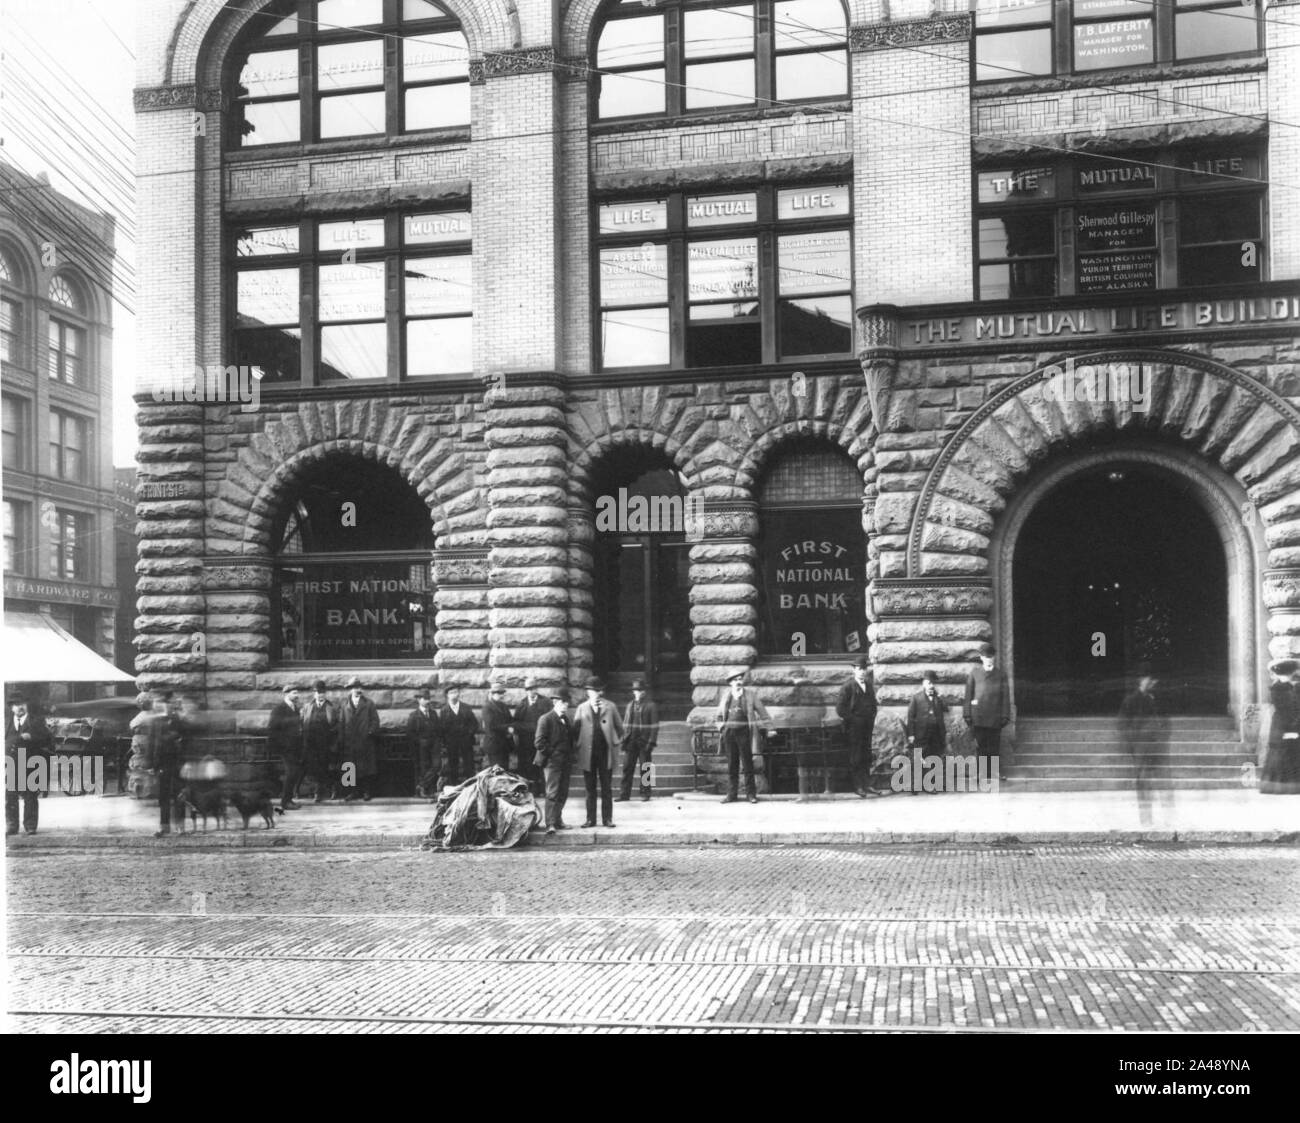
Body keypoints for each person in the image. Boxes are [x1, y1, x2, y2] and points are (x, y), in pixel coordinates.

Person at [714, 670, 775, 805]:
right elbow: (718, 716)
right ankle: (731, 794)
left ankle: (751, 795)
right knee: (732, 765)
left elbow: (763, 713)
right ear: (730, 683)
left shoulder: (750, 695)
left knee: (748, 764)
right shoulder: (726, 696)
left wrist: (770, 728)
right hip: (729, 733)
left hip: (744, 733)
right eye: (735, 680)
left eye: (740, 679)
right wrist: (722, 728)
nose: (739, 682)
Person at [573, 677, 624, 827]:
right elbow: (575, 730)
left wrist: (614, 741)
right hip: (588, 754)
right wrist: (580, 745)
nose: (594, 694)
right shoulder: (582, 708)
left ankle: (607, 819)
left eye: (596, 691)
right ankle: (590, 819)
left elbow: (620, 728)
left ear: (601, 691)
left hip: (605, 753)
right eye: (591, 691)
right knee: (590, 788)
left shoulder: (610, 707)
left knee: (606, 787)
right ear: (588, 692)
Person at [1119, 663, 1166, 822]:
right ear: (1141, 680)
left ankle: (1149, 816)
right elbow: (1123, 724)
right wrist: (1131, 743)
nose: (1152, 683)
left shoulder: (1152, 699)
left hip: (1152, 745)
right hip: (1139, 745)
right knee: (1143, 781)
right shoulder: (1131, 700)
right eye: (1148, 679)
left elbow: (1158, 722)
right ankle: (1145, 818)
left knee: (1150, 781)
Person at [5, 692, 52, 836]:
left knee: (30, 795)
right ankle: (12, 825)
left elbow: (48, 739)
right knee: (10, 794)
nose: (20, 707)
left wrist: (32, 737)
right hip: (12, 763)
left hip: (31, 763)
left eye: (23, 704)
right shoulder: (5, 723)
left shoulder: (36, 722)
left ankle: (30, 825)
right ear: (11, 707)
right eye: (17, 705)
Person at [836, 657, 882, 798]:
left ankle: (867, 784)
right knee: (855, 756)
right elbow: (840, 709)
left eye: (864, 669)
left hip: (867, 727)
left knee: (866, 755)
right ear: (854, 670)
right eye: (859, 669)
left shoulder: (868, 685)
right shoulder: (848, 686)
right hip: (853, 729)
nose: (862, 672)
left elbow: (873, 705)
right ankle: (858, 786)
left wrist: (872, 717)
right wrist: (853, 720)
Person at [533, 687, 575, 834]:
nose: (566, 706)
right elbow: (539, 743)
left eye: (567, 703)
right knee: (552, 793)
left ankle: (558, 820)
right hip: (551, 763)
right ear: (555, 702)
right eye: (563, 703)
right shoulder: (546, 719)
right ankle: (550, 823)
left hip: (565, 762)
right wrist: (554, 754)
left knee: (563, 792)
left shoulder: (566, 719)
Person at [963, 642, 1011, 772]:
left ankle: (994, 773)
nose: (988, 659)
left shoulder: (1001, 675)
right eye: (986, 657)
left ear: (994, 657)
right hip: (979, 718)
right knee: (981, 747)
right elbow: (968, 695)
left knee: (994, 748)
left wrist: (1006, 715)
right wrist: (967, 714)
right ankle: (983, 774)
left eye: (991, 657)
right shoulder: (974, 673)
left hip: (995, 718)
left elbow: (1005, 697)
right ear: (981, 658)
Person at [1261, 658, 1300, 794]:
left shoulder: (1285, 687)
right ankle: (1285, 786)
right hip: (1284, 725)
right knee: (1284, 752)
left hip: (1281, 724)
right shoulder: (1282, 689)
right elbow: (1286, 710)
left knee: (1285, 752)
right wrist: (1292, 728)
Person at [904, 671, 947, 795]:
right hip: (920, 734)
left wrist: (940, 697)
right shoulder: (916, 698)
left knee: (932, 758)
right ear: (923, 684)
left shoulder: (937, 699)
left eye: (933, 683)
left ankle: (929, 785)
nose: (931, 686)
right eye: (928, 683)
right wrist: (911, 734)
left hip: (935, 734)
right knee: (918, 759)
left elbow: (945, 708)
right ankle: (915, 785)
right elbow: (910, 717)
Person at [153, 691, 189, 835]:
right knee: (164, 797)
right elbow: (155, 744)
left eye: (170, 704)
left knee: (179, 795)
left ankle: (180, 826)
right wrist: (155, 765)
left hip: (178, 762)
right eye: (166, 704)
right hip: (163, 764)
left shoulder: (179, 721)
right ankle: (164, 826)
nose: (168, 706)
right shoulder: (158, 722)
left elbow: (184, 741)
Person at [339, 677, 380, 802]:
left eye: (359, 687)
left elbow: (375, 721)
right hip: (349, 742)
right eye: (355, 687)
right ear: (351, 689)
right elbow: (341, 722)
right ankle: (352, 792)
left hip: (365, 741)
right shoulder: (344, 704)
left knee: (365, 767)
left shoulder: (368, 703)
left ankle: (366, 791)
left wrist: (370, 732)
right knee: (350, 767)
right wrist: (341, 738)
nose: (358, 690)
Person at [617, 679, 658, 802]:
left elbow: (655, 727)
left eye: (639, 690)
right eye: (635, 690)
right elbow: (625, 724)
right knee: (627, 767)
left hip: (644, 741)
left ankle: (646, 793)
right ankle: (624, 794)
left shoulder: (651, 705)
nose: (637, 693)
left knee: (646, 767)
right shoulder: (630, 705)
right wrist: (624, 739)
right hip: (631, 740)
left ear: (644, 692)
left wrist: (651, 742)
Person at [267, 683, 304, 812]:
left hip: (294, 747)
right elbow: (273, 726)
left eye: (297, 692)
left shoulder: (295, 708)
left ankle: (288, 799)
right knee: (291, 772)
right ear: (287, 694)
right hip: (284, 748)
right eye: (294, 693)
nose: (297, 695)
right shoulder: (279, 709)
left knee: (294, 772)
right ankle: (285, 801)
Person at [302, 680, 340, 802]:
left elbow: (336, 726)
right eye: (317, 692)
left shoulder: (332, 707)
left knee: (329, 768)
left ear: (325, 693)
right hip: (312, 744)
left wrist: (334, 744)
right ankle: (318, 792)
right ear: (314, 693)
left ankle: (333, 790)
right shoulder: (308, 707)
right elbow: (304, 724)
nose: (320, 695)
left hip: (327, 743)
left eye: (322, 692)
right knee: (315, 768)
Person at [512, 676, 550, 797]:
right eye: (528, 689)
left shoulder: (545, 702)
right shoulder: (522, 704)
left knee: (541, 765)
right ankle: (531, 790)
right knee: (527, 766)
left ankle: (543, 790)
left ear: (536, 689)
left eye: (533, 688)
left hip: (541, 741)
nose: (531, 691)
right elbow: (516, 723)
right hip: (526, 743)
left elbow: (550, 720)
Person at [439, 683, 479, 785]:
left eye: (456, 692)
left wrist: (468, 734)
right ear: (447, 695)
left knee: (469, 763)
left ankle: (471, 784)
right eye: (451, 693)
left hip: (466, 741)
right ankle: (454, 785)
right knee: (453, 764)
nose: (454, 695)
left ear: (459, 694)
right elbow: (442, 729)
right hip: (451, 743)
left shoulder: (466, 708)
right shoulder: (444, 710)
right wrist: (446, 741)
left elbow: (474, 724)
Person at [408, 689, 441, 798]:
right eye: (424, 699)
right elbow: (410, 734)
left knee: (437, 766)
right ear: (418, 700)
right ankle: (426, 791)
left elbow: (438, 730)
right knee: (424, 768)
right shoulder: (413, 715)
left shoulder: (433, 713)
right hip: (421, 748)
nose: (427, 701)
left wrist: (437, 742)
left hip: (434, 746)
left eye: (428, 699)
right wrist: (419, 742)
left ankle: (421, 785)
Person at [482, 680, 515, 771]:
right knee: (497, 772)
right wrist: (508, 729)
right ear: (493, 694)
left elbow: (510, 720)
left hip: (504, 745)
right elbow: (491, 726)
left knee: (505, 771)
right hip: (494, 746)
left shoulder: (504, 706)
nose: (502, 695)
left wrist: (511, 727)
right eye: (499, 693)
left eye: (502, 693)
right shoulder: (487, 707)